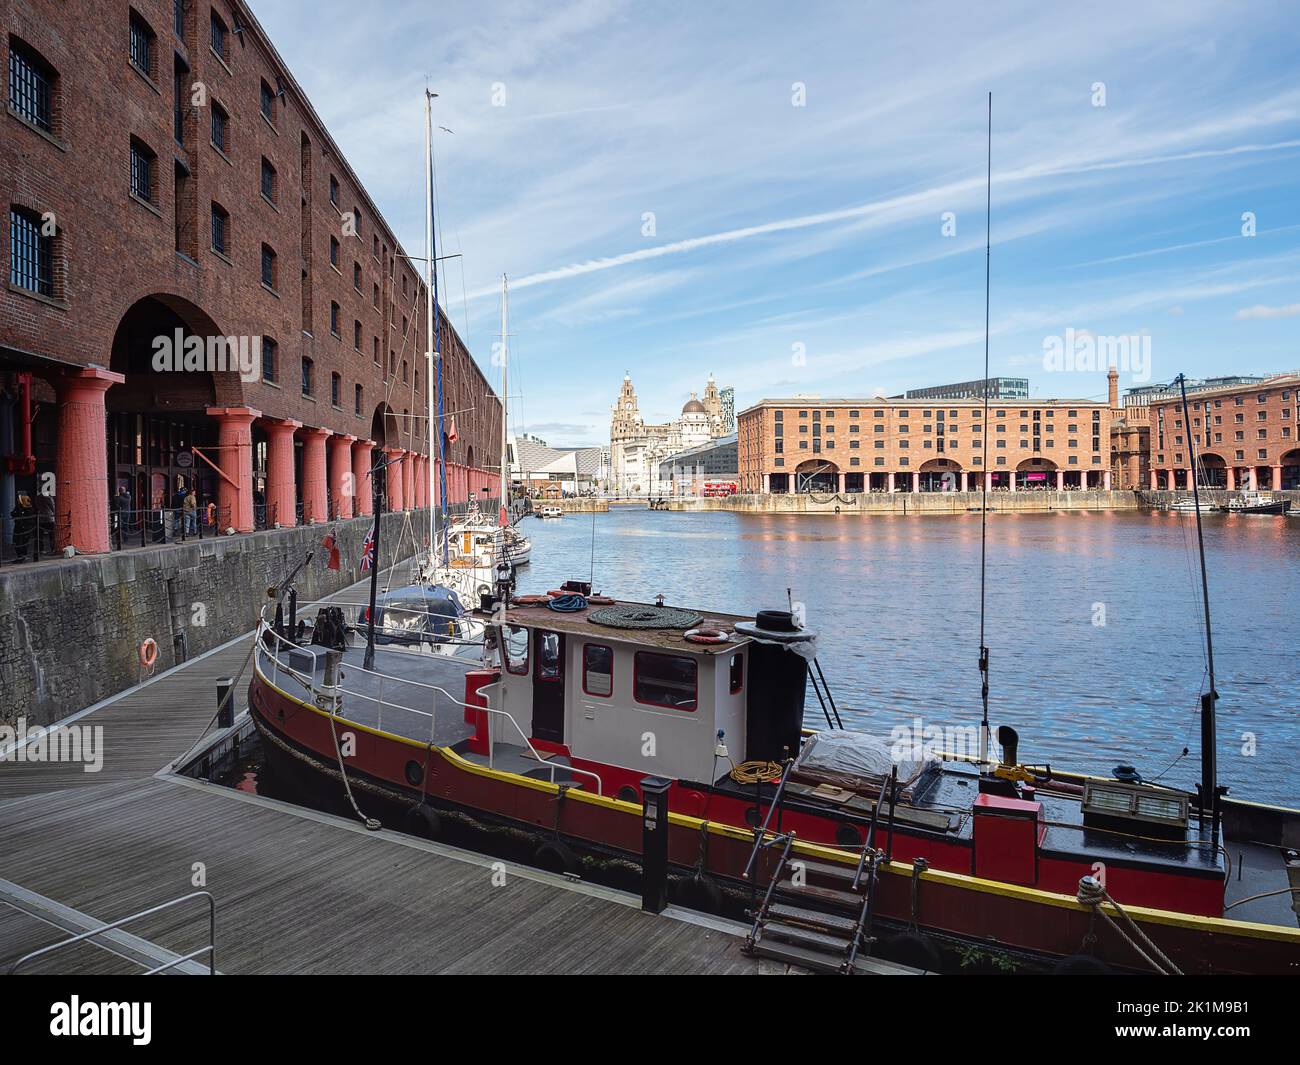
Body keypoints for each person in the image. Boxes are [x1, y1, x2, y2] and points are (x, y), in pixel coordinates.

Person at [11, 494, 35, 560]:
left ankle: (23, 555)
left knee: (24, 541)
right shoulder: (18, 507)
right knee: (17, 542)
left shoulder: (29, 508)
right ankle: (20, 555)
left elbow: (29, 519)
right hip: (18, 528)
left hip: (25, 528)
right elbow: (13, 513)